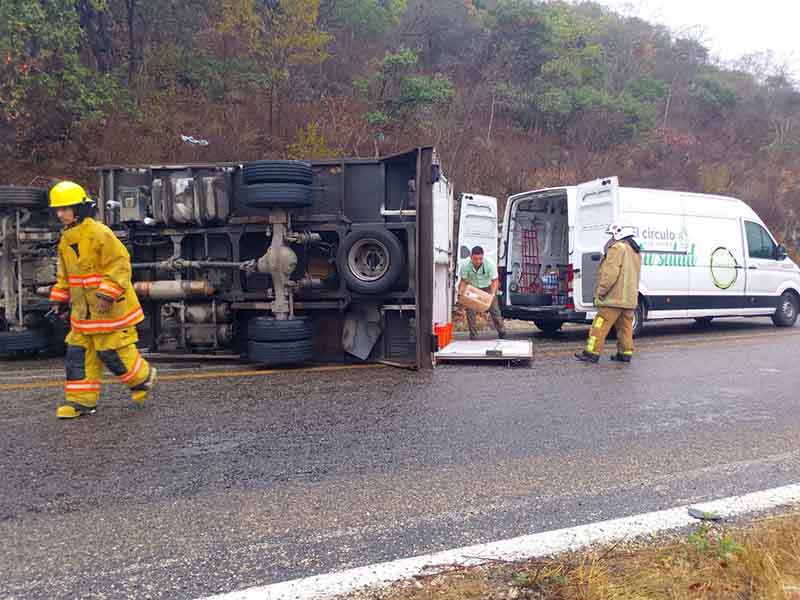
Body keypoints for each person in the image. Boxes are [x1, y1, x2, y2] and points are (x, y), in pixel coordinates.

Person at [48, 181, 157, 419]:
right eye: (58, 209)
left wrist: (107, 294)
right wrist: (59, 299)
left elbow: (120, 264)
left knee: (113, 352)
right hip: (82, 314)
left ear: (80, 208)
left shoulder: (99, 232)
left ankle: (143, 378)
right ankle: (81, 402)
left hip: (110, 310)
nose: (60, 214)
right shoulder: (66, 239)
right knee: (77, 355)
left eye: (65, 208)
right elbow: (64, 275)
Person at [575, 221, 642, 364]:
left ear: (619, 233)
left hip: (614, 299)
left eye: (612, 234)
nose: (611, 237)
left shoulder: (617, 248)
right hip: (629, 300)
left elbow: (610, 274)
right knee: (625, 328)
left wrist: (600, 292)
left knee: (599, 325)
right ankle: (625, 353)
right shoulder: (635, 251)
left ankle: (591, 353)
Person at [458, 245, 507, 340]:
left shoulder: (489, 264)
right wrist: (460, 293)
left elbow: (495, 281)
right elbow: (463, 281)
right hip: (473, 288)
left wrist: (492, 295)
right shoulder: (465, 266)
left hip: (488, 287)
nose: (478, 261)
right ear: (471, 257)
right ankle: (473, 335)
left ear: (483, 257)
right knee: (470, 310)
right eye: (475, 259)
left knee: (494, 310)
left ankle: (502, 331)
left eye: (480, 259)